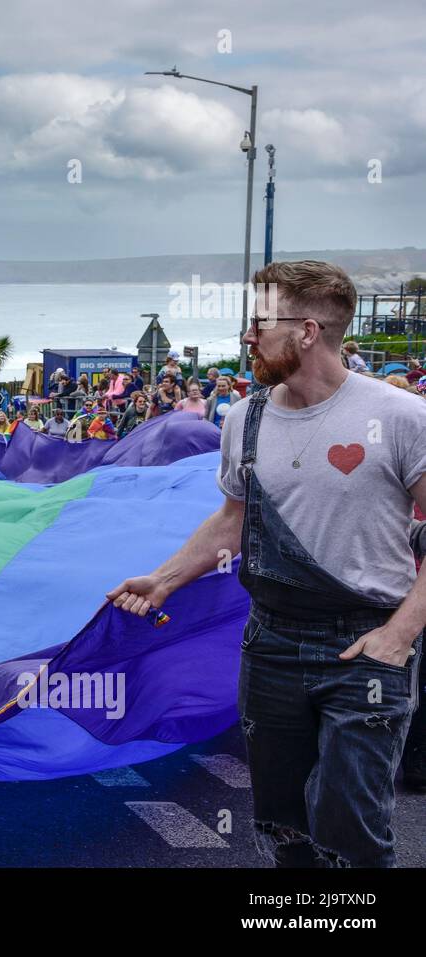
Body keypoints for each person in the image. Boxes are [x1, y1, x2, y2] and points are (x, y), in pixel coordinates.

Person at [107, 260, 426, 868]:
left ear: (307, 331)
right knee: (284, 827)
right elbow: (233, 519)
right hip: (271, 642)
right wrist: (165, 579)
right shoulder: (243, 418)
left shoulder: (403, 418)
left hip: (366, 647)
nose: (247, 338)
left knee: (350, 823)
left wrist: (399, 635)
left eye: (259, 324)